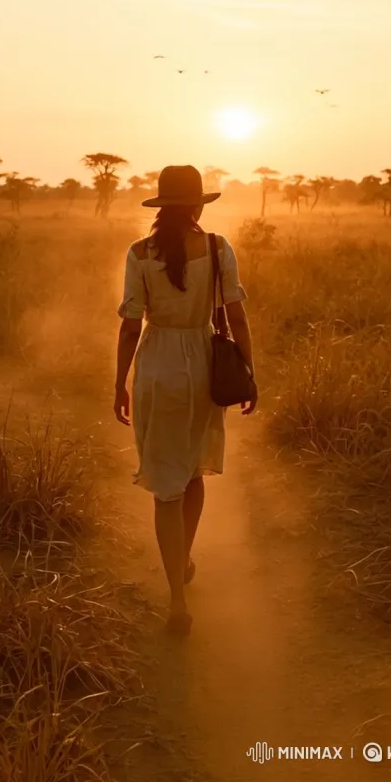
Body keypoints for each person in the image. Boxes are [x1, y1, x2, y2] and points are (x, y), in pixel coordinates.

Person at [114, 165, 257, 636]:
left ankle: (177, 598)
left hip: (156, 368)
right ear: (197, 205)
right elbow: (235, 315)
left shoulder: (138, 253)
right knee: (194, 469)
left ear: (160, 206)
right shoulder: (218, 248)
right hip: (202, 366)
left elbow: (132, 325)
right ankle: (184, 560)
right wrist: (249, 373)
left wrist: (120, 382)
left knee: (166, 485)